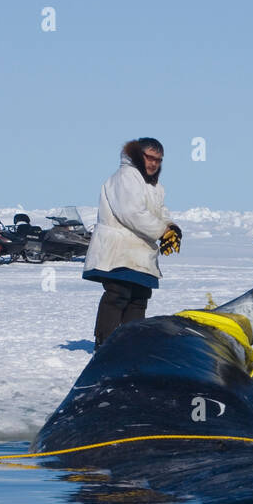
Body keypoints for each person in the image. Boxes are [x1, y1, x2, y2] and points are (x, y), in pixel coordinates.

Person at [84, 138, 181, 349]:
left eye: (158, 160)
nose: (154, 163)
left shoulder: (154, 186)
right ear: (137, 155)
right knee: (118, 295)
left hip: (139, 253)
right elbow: (132, 213)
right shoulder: (126, 176)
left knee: (139, 298)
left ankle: (132, 346)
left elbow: (160, 212)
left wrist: (172, 227)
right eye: (149, 157)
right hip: (118, 250)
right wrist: (162, 231)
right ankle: (105, 344)